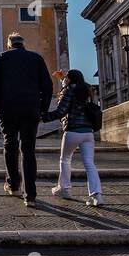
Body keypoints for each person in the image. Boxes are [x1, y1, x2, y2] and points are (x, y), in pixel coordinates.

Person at [0, 32, 53, 207]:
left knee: (10, 145)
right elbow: (48, 86)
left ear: (9, 44)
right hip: (31, 109)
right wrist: (43, 110)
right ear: (23, 44)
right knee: (28, 150)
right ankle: (30, 195)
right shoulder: (36, 58)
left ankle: (13, 185)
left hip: (7, 109)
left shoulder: (1, 58)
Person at [43, 69, 102, 206]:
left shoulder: (69, 91)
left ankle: (64, 189)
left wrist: (44, 117)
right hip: (88, 132)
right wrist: (63, 79)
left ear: (70, 80)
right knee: (89, 164)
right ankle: (96, 195)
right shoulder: (88, 91)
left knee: (65, 160)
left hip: (73, 131)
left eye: (67, 79)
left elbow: (61, 111)